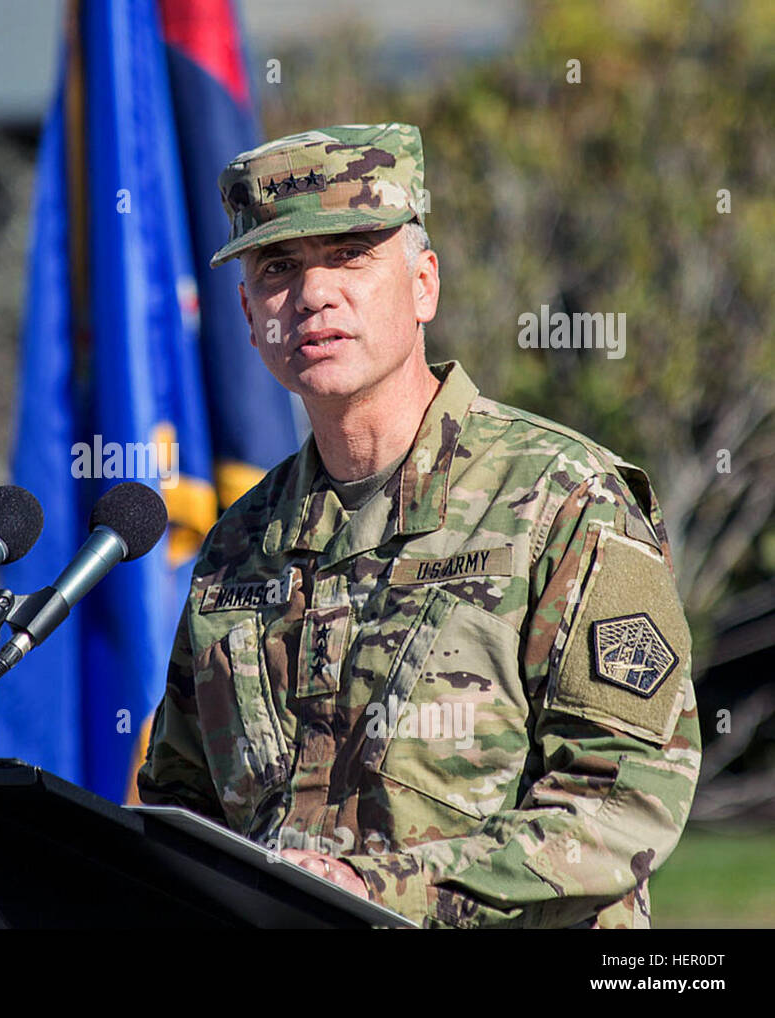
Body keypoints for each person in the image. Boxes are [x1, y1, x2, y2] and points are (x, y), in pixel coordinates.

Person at [135, 123, 701, 929]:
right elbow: (183, 817)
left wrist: (378, 891)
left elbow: (624, 802)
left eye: (351, 256)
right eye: (278, 268)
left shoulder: (563, 501)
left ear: (424, 284)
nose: (313, 294)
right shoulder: (237, 548)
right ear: (247, 311)